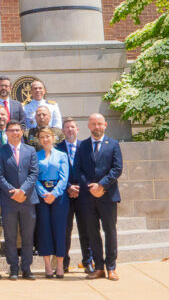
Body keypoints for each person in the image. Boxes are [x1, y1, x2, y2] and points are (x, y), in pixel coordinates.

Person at [75, 112, 124, 281]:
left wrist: (101, 185)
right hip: (88, 198)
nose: (97, 127)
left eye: (100, 124)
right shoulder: (82, 146)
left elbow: (117, 169)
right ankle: (99, 267)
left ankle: (111, 267)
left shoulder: (113, 144)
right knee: (92, 233)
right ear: (89, 126)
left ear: (105, 125)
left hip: (108, 196)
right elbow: (78, 169)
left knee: (110, 231)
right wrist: (91, 187)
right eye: (93, 124)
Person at [0, 120, 39, 280]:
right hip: (9, 200)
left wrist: (23, 190)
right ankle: (13, 268)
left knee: (27, 236)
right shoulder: (1, 151)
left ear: (21, 132)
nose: (14, 133)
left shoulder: (31, 150)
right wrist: (12, 191)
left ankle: (26, 268)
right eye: (11, 130)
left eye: (17, 130)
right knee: (10, 236)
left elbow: (34, 173)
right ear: (6, 133)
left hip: (28, 200)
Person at [32, 125, 70, 278]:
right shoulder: (36, 156)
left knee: (60, 230)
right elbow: (34, 176)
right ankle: (47, 265)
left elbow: (64, 177)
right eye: (42, 137)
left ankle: (59, 265)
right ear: (39, 140)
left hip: (59, 196)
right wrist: (43, 193)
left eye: (47, 136)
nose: (45, 139)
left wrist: (54, 193)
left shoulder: (61, 155)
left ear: (53, 138)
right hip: (42, 196)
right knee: (44, 230)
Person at [58, 117, 93, 273]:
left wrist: (80, 187)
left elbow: (90, 170)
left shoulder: (85, 147)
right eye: (67, 127)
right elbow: (56, 172)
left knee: (86, 229)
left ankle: (88, 261)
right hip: (64, 195)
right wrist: (68, 187)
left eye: (73, 127)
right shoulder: (57, 148)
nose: (70, 130)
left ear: (77, 129)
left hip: (83, 195)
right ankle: (64, 262)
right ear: (63, 131)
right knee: (65, 229)